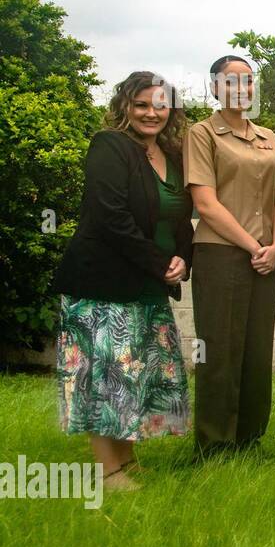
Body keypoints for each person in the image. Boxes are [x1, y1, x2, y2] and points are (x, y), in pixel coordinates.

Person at [52, 71, 194, 491]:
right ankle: (107, 469)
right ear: (125, 107)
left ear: (172, 109)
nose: (151, 113)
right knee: (106, 375)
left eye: (160, 105)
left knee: (136, 373)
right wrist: (158, 261)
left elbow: (182, 218)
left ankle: (128, 461)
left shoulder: (174, 154)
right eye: (141, 105)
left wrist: (183, 260)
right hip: (103, 284)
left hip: (150, 285)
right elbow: (110, 216)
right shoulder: (110, 147)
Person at [184, 54, 275, 459]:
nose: (240, 89)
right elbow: (205, 204)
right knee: (219, 350)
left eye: (248, 81)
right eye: (230, 81)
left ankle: (249, 439)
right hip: (221, 253)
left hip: (266, 256)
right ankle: (214, 444)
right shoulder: (202, 134)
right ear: (214, 87)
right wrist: (252, 246)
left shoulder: (269, 138)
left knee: (256, 351)